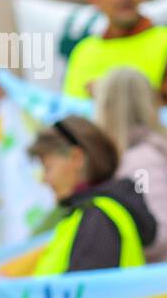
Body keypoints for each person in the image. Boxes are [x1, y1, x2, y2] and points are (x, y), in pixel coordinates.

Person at [28, 116, 156, 274]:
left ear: (77, 158)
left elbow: (80, 294)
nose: (44, 179)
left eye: (48, 168)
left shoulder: (97, 217)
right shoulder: (87, 214)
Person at [94, 68, 167, 263]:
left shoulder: (142, 164)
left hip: (159, 283)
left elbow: (160, 232)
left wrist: (106, 242)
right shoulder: (143, 157)